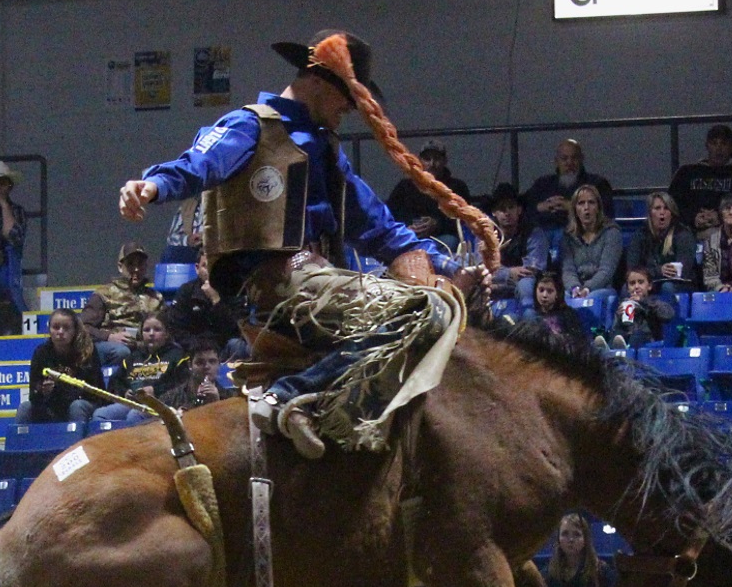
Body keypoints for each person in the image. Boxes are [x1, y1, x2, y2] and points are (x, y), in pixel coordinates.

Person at [117, 30, 472, 460]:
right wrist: (152, 185)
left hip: (317, 281)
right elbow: (199, 164)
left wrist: (447, 267)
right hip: (275, 283)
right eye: (348, 95)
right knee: (423, 312)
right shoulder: (252, 125)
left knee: (436, 307)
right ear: (320, 81)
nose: (351, 108)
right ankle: (289, 396)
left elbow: (378, 226)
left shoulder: (325, 150)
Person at [82, 243, 165, 369]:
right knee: (122, 351)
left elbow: (168, 328)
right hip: (112, 347)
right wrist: (109, 337)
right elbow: (83, 327)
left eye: (140, 264)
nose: (136, 269)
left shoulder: (156, 297)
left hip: (145, 347)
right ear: (120, 267)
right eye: (131, 264)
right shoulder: (104, 293)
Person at [669, 125, 732, 236]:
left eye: (724, 144)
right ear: (707, 146)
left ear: (731, 148)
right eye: (714, 143)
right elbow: (672, 202)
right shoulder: (687, 172)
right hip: (689, 229)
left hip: (727, 229)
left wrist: (720, 216)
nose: (718, 149)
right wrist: (693, 217)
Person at [23, 308, 102, 425]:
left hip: (83, 402)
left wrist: (59, 389)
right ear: (49, 329)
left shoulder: (87, 351)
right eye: (56, 327)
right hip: (53, 403)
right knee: (25, 408)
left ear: (75, 330)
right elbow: (33, 394)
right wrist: (43, 391)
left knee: (77, 406)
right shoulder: (41, 352)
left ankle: (77, 442)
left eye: (66, 328)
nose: (60, 332)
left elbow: (93, 391)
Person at [522, 137, 612, 238]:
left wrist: (572, 207)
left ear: (581, 159)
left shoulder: (597, 183)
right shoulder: (542, 184)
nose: (569, 163)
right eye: (564, 159)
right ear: (556, 161)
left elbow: (607, 215)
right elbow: (521, 209)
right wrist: (541, 207)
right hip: (543, 239)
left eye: (574, 158)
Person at [559, 184, 623, 326]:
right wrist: (575, 288)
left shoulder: (612, 233)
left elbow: (606, 271)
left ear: (598, 207)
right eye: (581, 203)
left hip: (603, 288)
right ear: (575, 209)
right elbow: (567, 270)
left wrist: (587, 288)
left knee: (591, 299)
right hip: (575, 288)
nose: (586, 208)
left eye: (591, 202)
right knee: (562, 298)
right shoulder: (567, 236)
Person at [385, 140, 471, 243]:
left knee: (451, 241)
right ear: (420, 160)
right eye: (427, 159)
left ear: (445, 161)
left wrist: (437, 224)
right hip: (410, 236)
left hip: (441, 238)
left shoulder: (456, 187)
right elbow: (390, 214)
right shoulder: (405, 186)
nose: (432, 164)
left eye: (437, 159)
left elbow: (464, 220)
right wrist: (407, 227)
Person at [541, 512, 613, 587]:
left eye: (577, 534)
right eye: (565, 534)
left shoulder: (601, 571)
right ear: (558, 539)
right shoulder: (547, 574)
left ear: (586, 539)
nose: (570, 539)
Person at [624, 191, 698, 298]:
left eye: (666, 208)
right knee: (626, 289)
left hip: (680, 285)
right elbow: (632, 269)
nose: (662, 212)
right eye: (657, 208)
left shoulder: (683, 234)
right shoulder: (640, 236)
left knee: (667, 287)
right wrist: (659, 271)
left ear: (672, 213)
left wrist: (668, 271)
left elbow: (684, 269)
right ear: (650, 213)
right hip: (648, 282)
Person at [485, 183, 546, 311]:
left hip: (526, 283)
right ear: (494, 213)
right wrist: (509, 272)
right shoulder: (485, 233)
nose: (507, 213)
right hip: (497, 281)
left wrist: (500, 275)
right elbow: (481, 267)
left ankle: (529, 323)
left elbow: (532, 270)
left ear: (519, 210)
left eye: (511, 207)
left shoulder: (533, 231)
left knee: (526, 284)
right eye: (502, 209)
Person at [606, 268, 677, 352]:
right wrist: (618, 317)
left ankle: (624, 351)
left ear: (649, 286)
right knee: (617, 333)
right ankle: (605, 351)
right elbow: (615, 329)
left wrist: (643, 302)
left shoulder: (654, 302)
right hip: (627, 337)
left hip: (648, 339)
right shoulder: (625, 303)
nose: (636, 286)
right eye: (632, 283)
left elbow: (668, 315)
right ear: (628, 288)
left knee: (637, 335)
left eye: (640, 282)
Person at [117, 312, 184, 398]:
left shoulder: (177, 356)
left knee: (134, 412)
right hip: (131, 402)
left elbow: (181, 384)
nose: (151, 334)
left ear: (167, 333)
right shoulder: (132, 357)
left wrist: (156, 390)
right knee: (102, 412)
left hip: (161, 403)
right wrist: (125, 392)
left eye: (157, 329)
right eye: (147, 330)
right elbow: (117, 383)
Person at [524, 270, 587, 346]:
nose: (544, 295)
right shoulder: (530, 315)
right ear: (535, 291)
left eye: (549, 291)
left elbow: (578, 341)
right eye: (541, 290)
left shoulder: (568, 314)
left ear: (557, 293)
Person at [159, 343, 225, 413]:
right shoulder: (170, 398)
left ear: (219, 364)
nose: (207, 366)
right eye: (200, 362)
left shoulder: (230, 396)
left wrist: (218, 403)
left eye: (212, 361)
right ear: (190, 365)